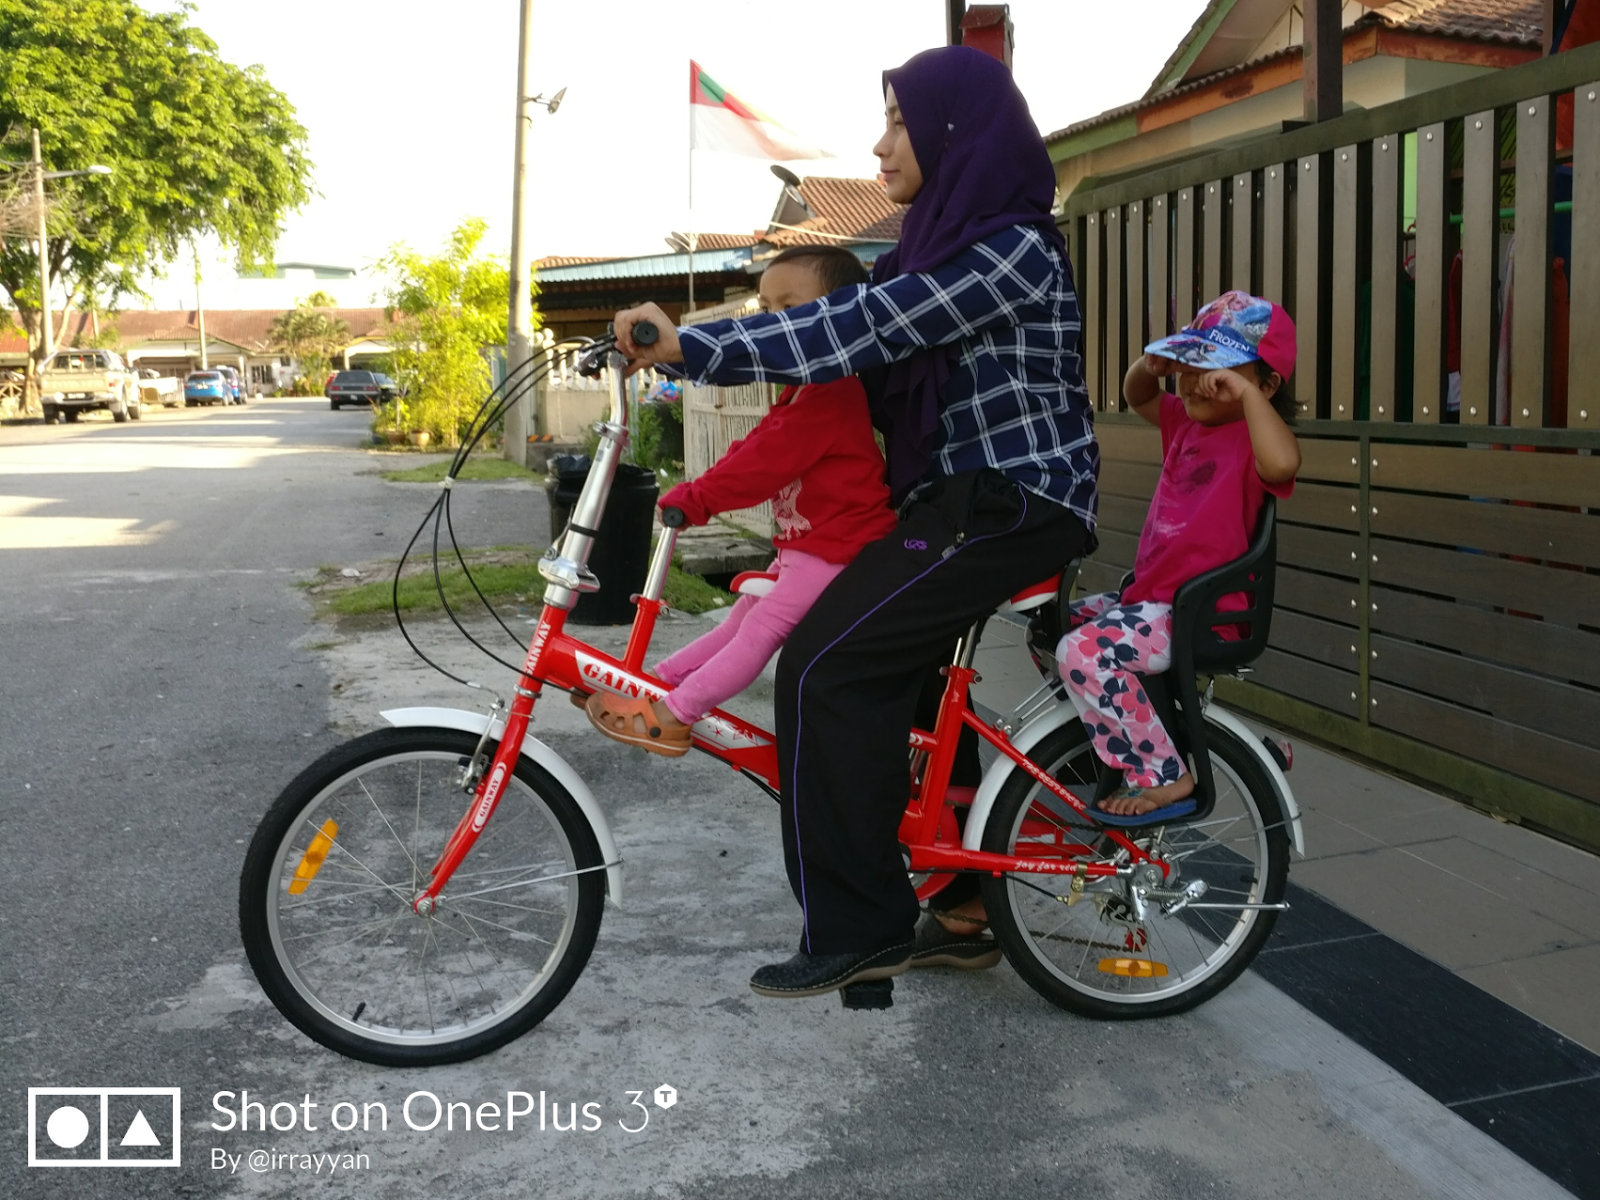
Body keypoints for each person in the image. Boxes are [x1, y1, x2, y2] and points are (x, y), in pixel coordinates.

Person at [612, 45, 1098, 999]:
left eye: (898, 124)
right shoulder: (936, 246)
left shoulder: (1009, 249)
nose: (879, 147)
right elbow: (855, 324)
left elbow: (859, 328)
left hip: (1014, 500)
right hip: (956, 505)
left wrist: (695, 347)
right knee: (900, 694)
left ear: (955, 133)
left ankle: (864, 926)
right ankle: (961, 899)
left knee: (827, 666)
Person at [584, 245, 896, 754]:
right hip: (807, 548)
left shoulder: (833, 391)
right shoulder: (802, 390)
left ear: (838, 320)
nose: (774, 325)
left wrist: (699, 498)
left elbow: (764, 465)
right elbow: (754, 447)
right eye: (767, 312)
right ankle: (654, 684)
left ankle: (673, 714)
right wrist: (699, 487)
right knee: (737, 622)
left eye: (790, 310)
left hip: (839, 549)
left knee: (759, 633)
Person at [1059, 291, 1300, 821]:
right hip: (1152, 604)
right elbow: (1137, 395)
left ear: (1266, 384)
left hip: (1198, 613)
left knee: (1082, 653)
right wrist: (1151, 365)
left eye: (1213, 370)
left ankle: (1165, 774)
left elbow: (1284, 464)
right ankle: (1107, 730)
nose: (1192, 381)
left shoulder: (1251, 440)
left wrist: (1247, 396)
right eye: (1188, 365)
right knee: (1051, 624)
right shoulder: (1187, 425)